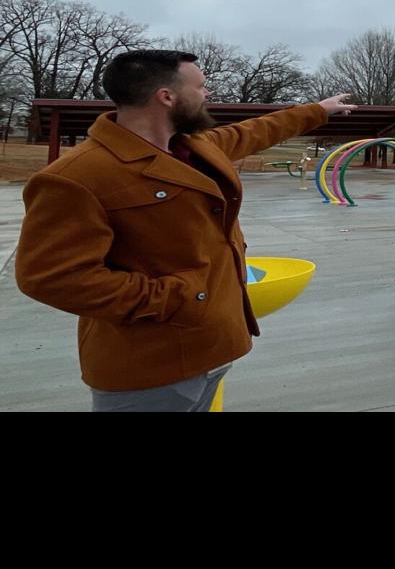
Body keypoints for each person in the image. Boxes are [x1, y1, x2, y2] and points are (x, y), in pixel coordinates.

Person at [14, 49, 357, 411]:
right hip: (147, 367)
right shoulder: (77, 177)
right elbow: (51, 277)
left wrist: (319, 110)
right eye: (202, 86)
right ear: (167, 96)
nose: (207, 95)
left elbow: (254, 132)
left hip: (212, 348)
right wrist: (177, 298)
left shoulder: (195, 147)